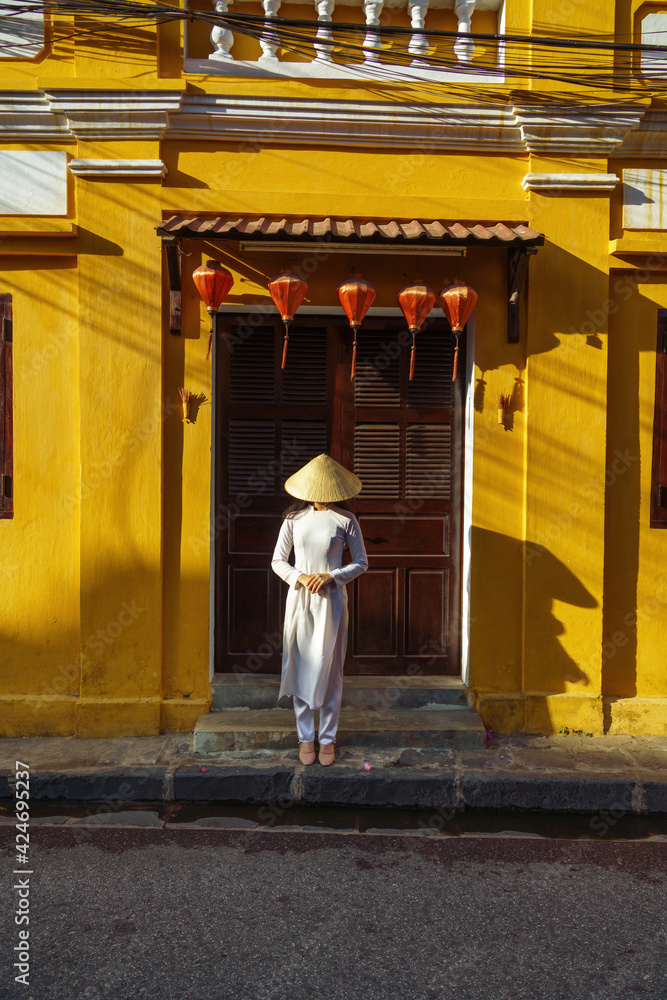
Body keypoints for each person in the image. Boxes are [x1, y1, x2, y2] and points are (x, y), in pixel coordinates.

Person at [271, 454, 369, 766]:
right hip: (299, 600)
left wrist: (331, 576)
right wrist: (300, 577)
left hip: (332, 602)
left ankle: (327, 738)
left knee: (330, 671)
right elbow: (277, 561)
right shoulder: (293, 521)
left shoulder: (345, 520)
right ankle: (305, 737)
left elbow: (361, 563)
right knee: (300, 667)